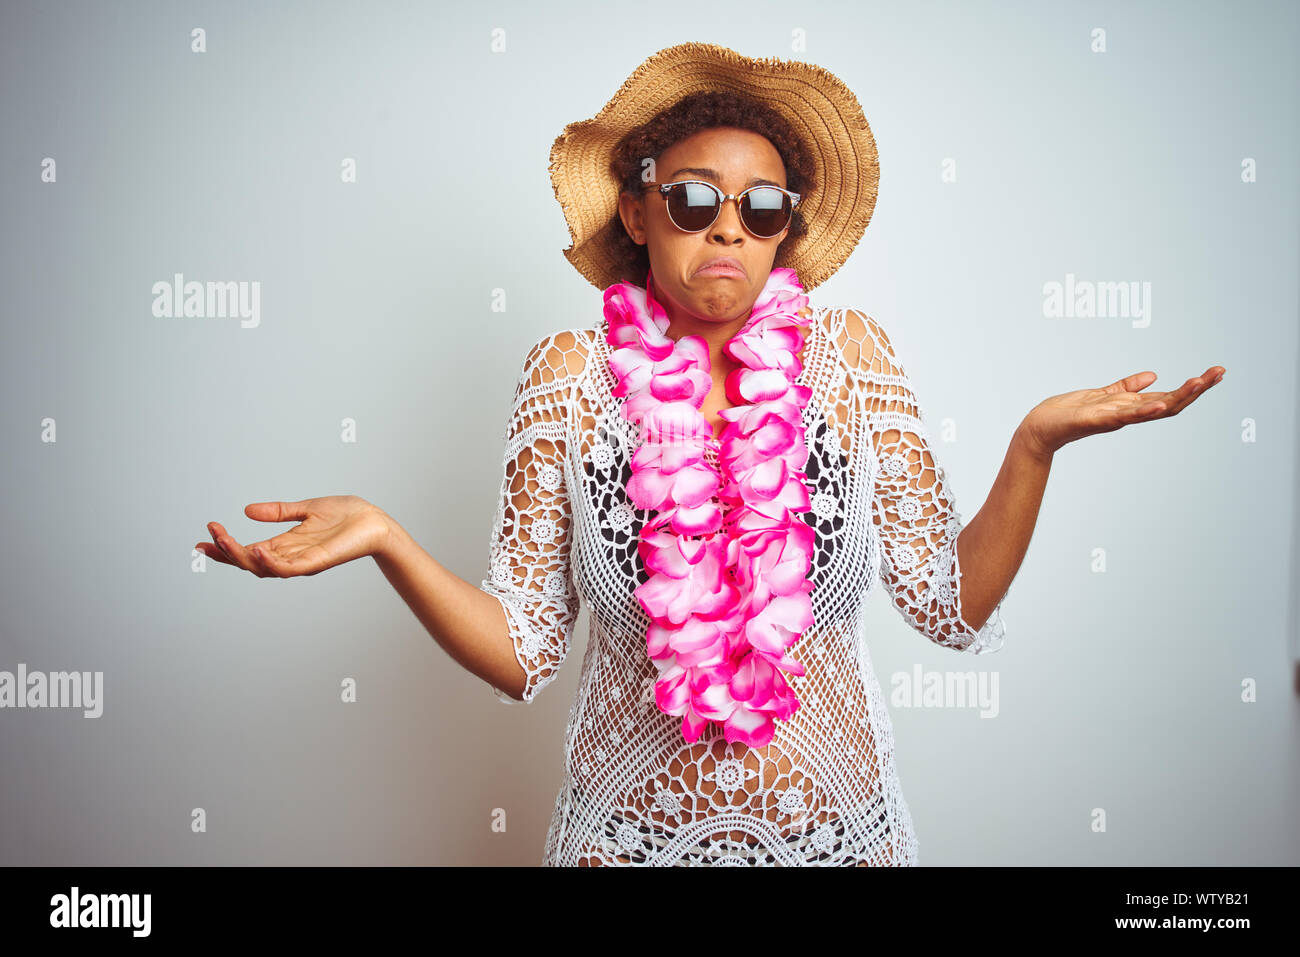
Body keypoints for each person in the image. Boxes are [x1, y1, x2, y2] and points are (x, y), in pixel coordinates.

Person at [195, 43, 1224, 866]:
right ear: (638, 212)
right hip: (623, 844)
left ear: (783, 235)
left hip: (840, 843)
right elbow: (522, 653)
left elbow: (948, 606)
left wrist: (1033, 445)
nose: (725, 227)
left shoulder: (849, 359)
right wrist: (386, 540)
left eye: (760, 206)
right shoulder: (568, 374)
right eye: (692, 198)